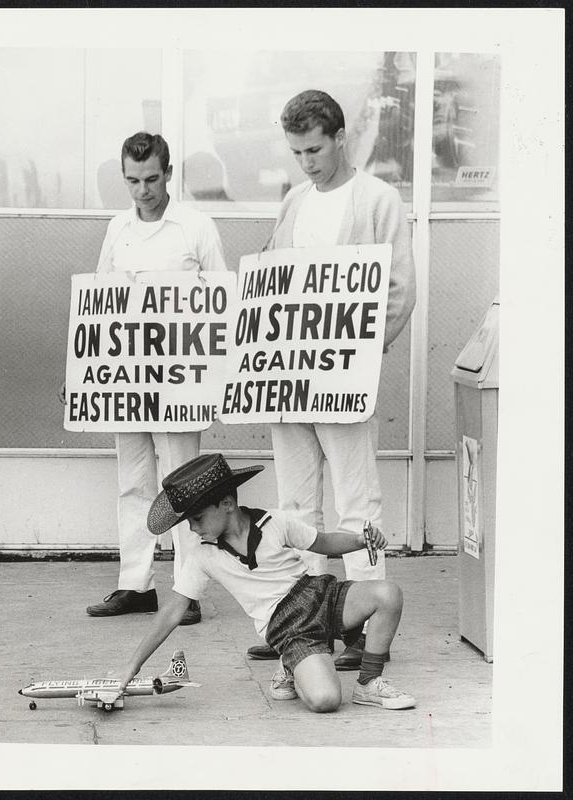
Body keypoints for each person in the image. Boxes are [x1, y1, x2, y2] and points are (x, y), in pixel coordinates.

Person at [246, 89, 416, 668]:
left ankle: (365, 624)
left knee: (356, 502)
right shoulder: (294, 199)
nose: (307, 162)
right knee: (296, 505)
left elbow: (396, 288)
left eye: (315, 149)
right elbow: (273, 270)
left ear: (341, 138)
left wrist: (363, 356)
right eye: (297, 152)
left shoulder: (378, 199)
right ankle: (304, 626)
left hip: (343, 378)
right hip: (289, 380)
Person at [60, 132, 227, 622]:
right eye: (132, 181)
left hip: (180, 377)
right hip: (127, 378)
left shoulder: (196, 227)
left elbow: (222, 301)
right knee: (133, 482)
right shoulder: (118, 229)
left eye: (151, 179)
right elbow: (99, 305)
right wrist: (83, 372)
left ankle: (187, 591)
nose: (143, 191)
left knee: (184, 484)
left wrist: (218, 377)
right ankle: (135, 584)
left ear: (169, 173)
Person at [115, 453, 416, 713]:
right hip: (288, 628)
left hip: (320, 595)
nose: (192, 528)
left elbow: (323, 542)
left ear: (227, 503)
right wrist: (132, 666)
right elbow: (172, 612)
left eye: (197, 518)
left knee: (388, 594)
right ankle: (290, 664)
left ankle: (368, 683)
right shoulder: (201, 556)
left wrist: (360, 540)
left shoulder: (274, 521)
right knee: (326, 699)